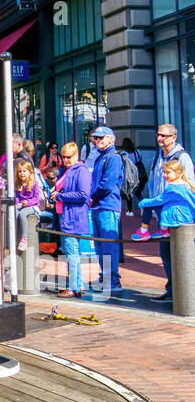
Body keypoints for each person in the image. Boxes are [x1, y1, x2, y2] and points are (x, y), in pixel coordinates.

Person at [137, 158, 195, 301]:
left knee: (169, 256)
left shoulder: (175, 188)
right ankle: (175, 291)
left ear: (179, 173)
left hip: (177, 223)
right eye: (163, 172)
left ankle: (146, 230)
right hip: (181, 222)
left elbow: (159, 200)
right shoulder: (185, 186)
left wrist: (143, 202)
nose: (164, 176)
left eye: (167, 172)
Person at [132, 124, 194, 240]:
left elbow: (190, 184)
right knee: (164, 252)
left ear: (173, 138)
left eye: (164, 136)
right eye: (158, 135)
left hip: (178, 215)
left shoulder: (182, 157)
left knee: (179, 253)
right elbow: (152, 183)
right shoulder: (157, 158)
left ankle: (145, 230)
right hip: (163, 212)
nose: (160, 138)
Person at [89, 125, 124, 292]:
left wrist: (92, 196)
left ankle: (112, 280)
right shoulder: (100, 156)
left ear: (111, 139)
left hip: (108, 205)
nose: (98, 141)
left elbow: (107, 184)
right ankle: (106, 277)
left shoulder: (113, 157)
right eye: (96, 138)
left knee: (108, 246)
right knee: (101, 245)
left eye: (101, 138)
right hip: (99, 205)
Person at [55, 142, 92, 297]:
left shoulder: (81, 171)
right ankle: (78, 285)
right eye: (64, 157)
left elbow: (83, 194)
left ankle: (74, 287)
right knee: (72, 253)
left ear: (76, 156)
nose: (66, 160)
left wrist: (60, 196)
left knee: (72, 254)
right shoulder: (68, 170)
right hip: (67, 215)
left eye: (69, 157)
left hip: (74, 217)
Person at [13, 159, 42, 252]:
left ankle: (24, 238)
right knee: (15, 212)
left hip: (33, 206)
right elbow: (17, 196)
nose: (22, 173)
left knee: (22, 214)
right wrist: (18, 202)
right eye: (20, 171)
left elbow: (36, 199)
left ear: (30, 172)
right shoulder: (18, 184)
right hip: (21, 205)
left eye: (24, 171)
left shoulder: (34, 184)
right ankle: (15, 236)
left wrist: (28, 203)